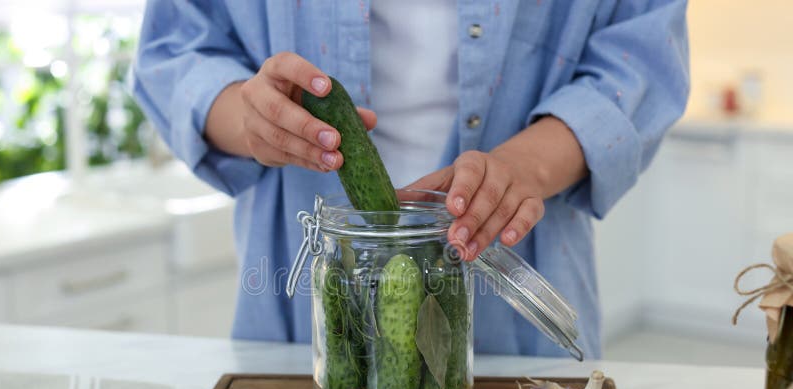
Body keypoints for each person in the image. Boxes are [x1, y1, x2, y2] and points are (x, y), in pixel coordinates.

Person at [132, 1, 689, 358]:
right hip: (299, 293)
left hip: (513, 275)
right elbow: (176, 49)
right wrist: (248, 118)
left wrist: (524, 167)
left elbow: (641, 54)